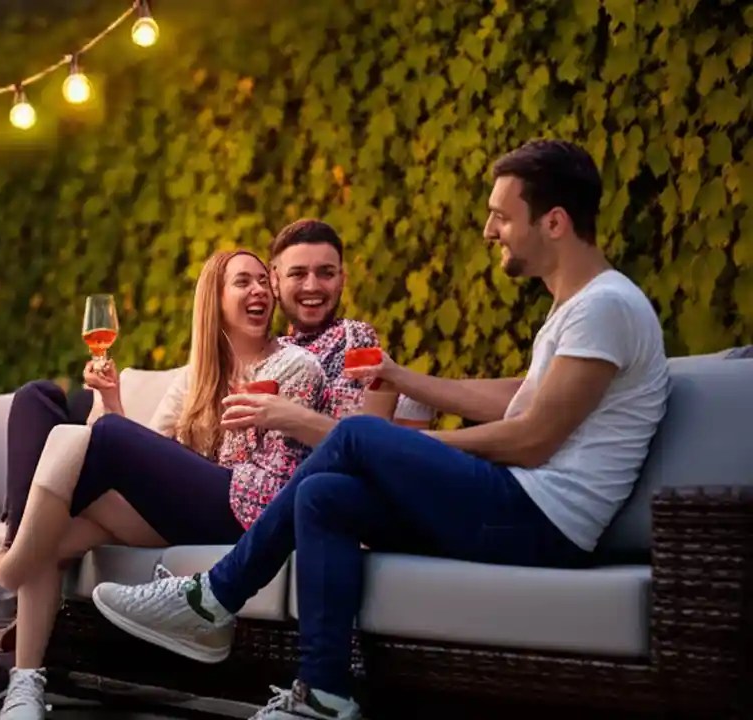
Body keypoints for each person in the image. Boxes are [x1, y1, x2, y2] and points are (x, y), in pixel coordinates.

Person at [90, 139, 670, 720]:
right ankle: (323, 695)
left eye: (502, 215)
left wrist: (401, 448)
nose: (491, 231)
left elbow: (533, 437)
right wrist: (398, 377)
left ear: (554, 221)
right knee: (324, 495)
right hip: (518, 506)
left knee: (357, 439)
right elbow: (516, 399)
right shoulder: (576, 309)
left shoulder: (605, 306)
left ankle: (215, 594)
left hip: (545, 521)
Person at [0, 219, 387, 710]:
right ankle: (23, 681)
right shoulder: (207, 373)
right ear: (270, 283)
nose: (307, 287)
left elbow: (354, 443)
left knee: (94, 443)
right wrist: (112, 400)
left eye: (324, 273)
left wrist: (288, 415)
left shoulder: (323, 351)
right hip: (192, 501)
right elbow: (150, 453)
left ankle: (0, 580)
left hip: (251, 504)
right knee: (47, 449)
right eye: (291, 276)